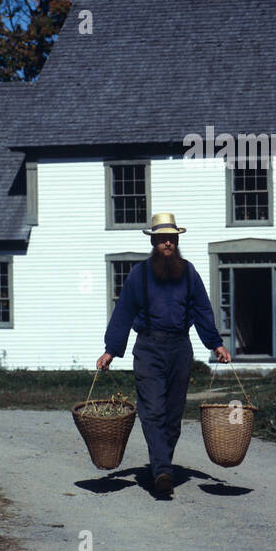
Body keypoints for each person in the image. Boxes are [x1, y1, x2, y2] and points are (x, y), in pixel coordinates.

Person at [97, 212, 231, 496]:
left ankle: (162, 462)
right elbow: (123, 313)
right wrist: (111, 350)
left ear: (177, 240)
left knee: (172, 414)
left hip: (180, 348)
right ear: (154, 242)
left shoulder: (188, 272)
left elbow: (202, 310)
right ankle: (162, 472)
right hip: (148, 348)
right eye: (162, 239)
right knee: (152, 411)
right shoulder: (139, 274)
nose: (167, 243)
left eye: (172, 238)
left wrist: (215, 344)